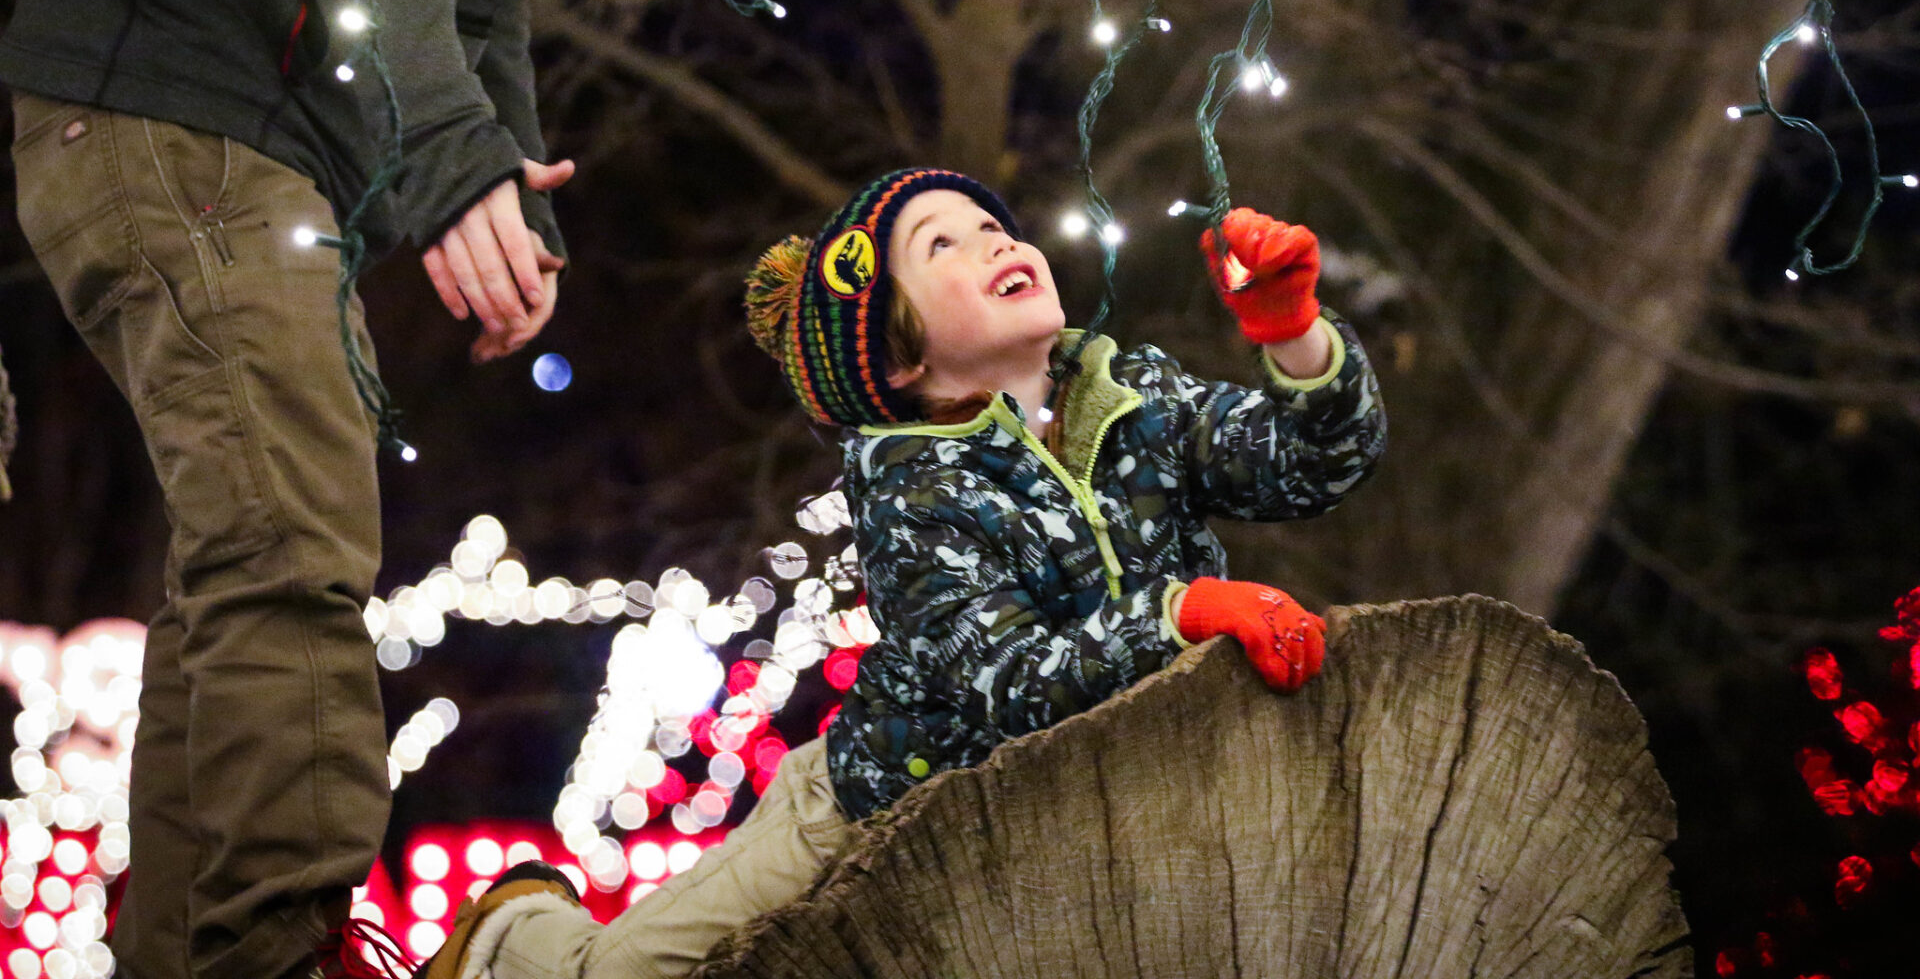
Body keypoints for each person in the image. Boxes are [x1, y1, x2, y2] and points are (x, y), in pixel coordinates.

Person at [414, 167, 1386, 979]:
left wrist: (1294, 334)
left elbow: (1313, 462)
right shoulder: (915, 489)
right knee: (627, 976)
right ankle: (515, 938)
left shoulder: (1137, 399)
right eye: (943, 245)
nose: (994, 242)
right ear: (899, 357)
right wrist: (1184, 611)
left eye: (992, 226)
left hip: (1063, 818)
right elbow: (1008, 681)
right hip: (866, 815)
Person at [0, 0, 613, 973]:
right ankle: (284, 947)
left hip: (271, 151)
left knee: (246, 559)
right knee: (288, 542)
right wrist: (444, 153)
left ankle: (201, 951)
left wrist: (500, 160)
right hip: (171, 98)